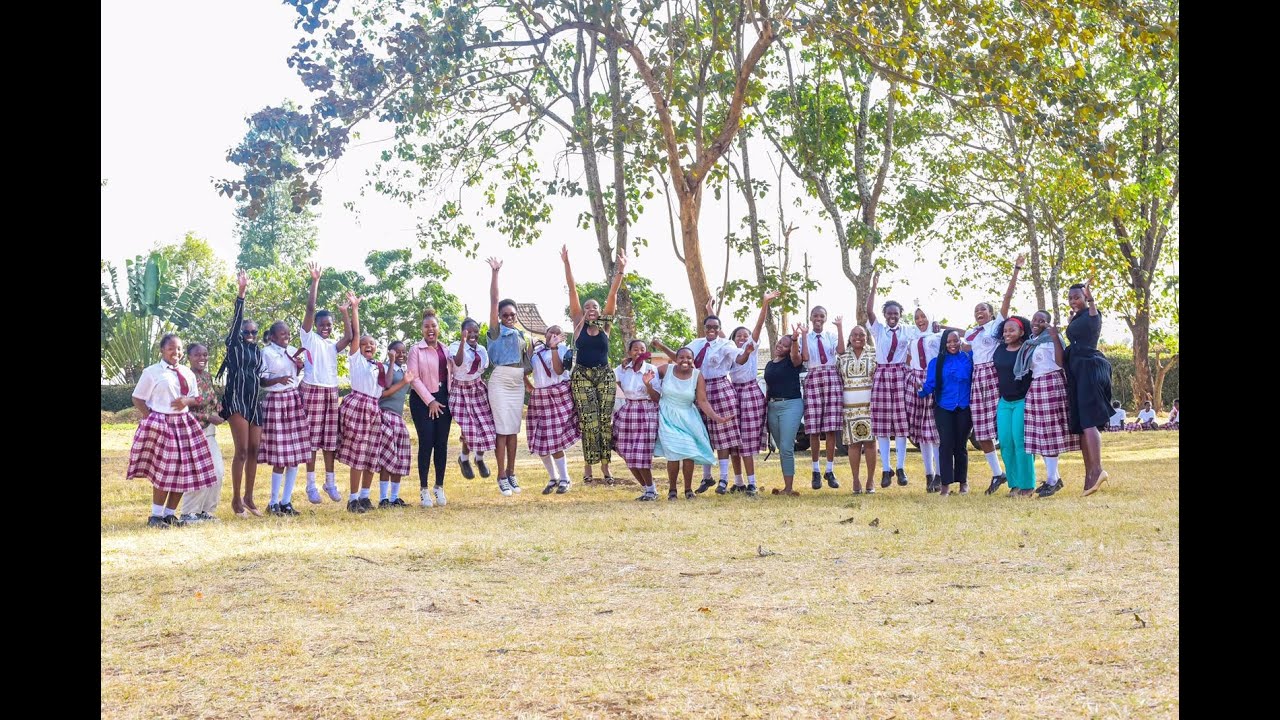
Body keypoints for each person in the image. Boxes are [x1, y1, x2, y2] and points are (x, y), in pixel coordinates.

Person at [127, 333, 219, 527]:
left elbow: (196, 398)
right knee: (164, 470)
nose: (175, 352)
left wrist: (187, 401)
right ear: (162, 350)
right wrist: (150, 416)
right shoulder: (152, 372)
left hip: (184, 423)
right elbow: (138, 397)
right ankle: (155, 516)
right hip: (162, 423)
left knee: (182, 470)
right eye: (170, 348)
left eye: (178, 349)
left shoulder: (187, 372)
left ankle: (170, 515)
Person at [654, 304, 741, 495]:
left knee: (723, 435)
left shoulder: (726, 344)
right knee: (701, 435)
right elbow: (680, 357)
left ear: (719, 329)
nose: (711, 330)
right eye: (708, 327)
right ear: (704, 328)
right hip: (694, 388)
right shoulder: (696, 344)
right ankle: (706, 477)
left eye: (715, 327)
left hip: (718, 386)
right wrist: (660, 347)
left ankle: (724, 479)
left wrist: (749, 351)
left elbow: (739, 359)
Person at [562, 245, 627, 484]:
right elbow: (572, 290)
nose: (591, 309)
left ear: (601, 313)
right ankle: (588, 469)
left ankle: (606, 468)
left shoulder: (606, 326)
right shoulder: (578, 323)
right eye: (587, 307)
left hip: (604, 376)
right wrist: (567, 264)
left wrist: (620, 270)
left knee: (603, 422)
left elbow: (612, 296)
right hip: (582, 376)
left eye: (595, 307)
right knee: (588, 422)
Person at [964, 256, 1023, 494]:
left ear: (991, 313)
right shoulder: (970, 333)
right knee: (981, 431)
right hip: (976, 378)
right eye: (976, 310)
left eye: (983, 309)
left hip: (993, 373)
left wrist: (1016, 270)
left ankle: (1018, 475)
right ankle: (998, 474)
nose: (980, 312)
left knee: (1003, 428)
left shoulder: (996, 326)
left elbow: (1007, 298)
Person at [299, 262, 350, 504]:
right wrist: (315, 281)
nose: (326, 328)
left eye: (329, 325)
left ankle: (330, 482)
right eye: (322, 324)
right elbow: (310, 309)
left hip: (330, 391)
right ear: (315, 326)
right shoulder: (309, 338)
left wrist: (345, 312)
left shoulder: (331, 345)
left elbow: (349, 338)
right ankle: (310, 485)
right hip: (312, 388)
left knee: (329, 440)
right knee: (310, 441)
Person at [653, 347, 734, 500]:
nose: (685, 360)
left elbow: (702, 401)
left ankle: (688, 489)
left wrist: (717, 418)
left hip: (688, 418)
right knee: (673, 454)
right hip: (667, 417)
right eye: (681, 357)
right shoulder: (666, 370)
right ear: (676, 358)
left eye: (689, 358)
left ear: (693, 360)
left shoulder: (697, 375)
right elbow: (647, 373)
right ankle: (672, 490)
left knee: (688, 452)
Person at [218, 271, 264, 517]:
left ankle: (249, 497)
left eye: (254, 332)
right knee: (242, 451)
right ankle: (236, 500)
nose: (249, 335)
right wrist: (241, 294)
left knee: (255, 450)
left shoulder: (258, 351)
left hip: (255, 402)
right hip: (236, 401)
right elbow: (237, 320)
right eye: (246, 332)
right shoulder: (234, 346)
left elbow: (261, 377)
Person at [725, 291, 781, 496]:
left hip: (749, 393)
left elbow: (758, 327)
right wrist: (711, 311)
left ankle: (752, 483)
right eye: (738, 335)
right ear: (732, 340)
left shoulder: (752, 348)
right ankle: (738, 481)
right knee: (733, 440)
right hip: (733, 393)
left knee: (747, 440)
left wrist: (765, 304)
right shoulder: (729, 351)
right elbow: (720, 333)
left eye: (745, 335)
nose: (742, 337)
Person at [484, 257, 532, 494]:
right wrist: (495, 273)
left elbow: (528, 366)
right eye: (505, 315)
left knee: (513, 429)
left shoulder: (523, 336)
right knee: (501, 430)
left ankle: (512, 473)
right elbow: (494, 301)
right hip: (500, 380)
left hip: (517, 382)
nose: (509, 318)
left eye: (512, 315)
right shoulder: (495, 332)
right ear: (500, 316)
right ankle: (501, 475)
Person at [335, 296, 385, 512]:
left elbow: (385, 391)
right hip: (358, 407)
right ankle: (352, 499)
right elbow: (355, 334)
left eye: (372, 344)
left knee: (371, 453)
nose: (368, 346)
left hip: (374, 409)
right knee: (358, 454)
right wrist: (354, 309)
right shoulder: (356, 360)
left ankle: (365, 496)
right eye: (364, 344)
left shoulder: (378, 367)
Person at [1021, 312, 1079, 498]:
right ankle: (1054, 478)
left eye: (1041, 320)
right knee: (1041, 434)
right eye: (1034, 319)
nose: (1036, 323)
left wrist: (1054, 337)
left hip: (1051, 383)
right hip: (1036, 385)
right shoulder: (1031, 342)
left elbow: (1061, 362)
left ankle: (1052, 480)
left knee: (1050, 432)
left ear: (1048, 323)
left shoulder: (1052, 338)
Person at [865, 272, 915, 489]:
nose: (892, 316)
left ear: (900, 314)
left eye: (896, 313)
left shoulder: (908, 330)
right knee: (883, 424)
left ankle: (901, 467)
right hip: (883, 374)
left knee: (901, 423)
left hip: (901, 374)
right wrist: (874, 287)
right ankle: (886, 469)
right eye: (889, 313)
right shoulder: (879, 330)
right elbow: (868, 310)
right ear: (884, 315)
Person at [1064, 282, 1113, 495]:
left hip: (1089, 367)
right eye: (1071, 298)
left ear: (1085, 297)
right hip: (1077, 369)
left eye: (1077, 297)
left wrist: (1091, 297)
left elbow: (1093, 310)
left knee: (1089, 420)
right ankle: (1089, 476)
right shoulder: (1077, 317)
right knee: (1082, 423)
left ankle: (1098, 470)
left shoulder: (1094, 314)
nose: (1074, 301)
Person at [257, 318, 309, 516]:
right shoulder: (266, 353)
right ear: (272, 336)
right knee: (280, 457)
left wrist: (299, 366)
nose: (286, 337)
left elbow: (296, 375)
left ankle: (286, 502)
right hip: (277, 401)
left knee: (294, 456)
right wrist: (277, 379)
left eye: (288, 333)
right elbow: (262, 380)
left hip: (293, 400)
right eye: (282, 334)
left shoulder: (293, 350)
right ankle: (273, 503)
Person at [917, 330, 975, 495]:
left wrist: (967, 347)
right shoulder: (937, 362)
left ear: (960, 341)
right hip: (944, 408)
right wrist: (921, 390)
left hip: (963, 407)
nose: (952, 344)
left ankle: (963, 482)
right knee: (946, 445)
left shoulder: (968, 358)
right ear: (944, 343)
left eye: (955, 341)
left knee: (961, 446)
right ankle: (945, 485)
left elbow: (969, 375)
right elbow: (930, 385)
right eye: (949, 341)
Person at [406, 309, 452, 508]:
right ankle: (424, 489)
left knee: (441, 444)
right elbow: (413, 378)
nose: (430, 329)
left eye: (433, 326)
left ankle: (439, 486)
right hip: (422, 401)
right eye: (427, 327)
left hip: (444, 399)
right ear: (422, 329)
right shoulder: (416, 350)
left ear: (438, 328)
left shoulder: (446, 349)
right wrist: (430, 401)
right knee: (426, 443)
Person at [527, 325, 580, 494]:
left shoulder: (564, 349)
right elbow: (524, 368)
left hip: (557, 394)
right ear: (546, 333)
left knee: (555, 439)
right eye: (552, 332)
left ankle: (565, 478)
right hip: (540, 396)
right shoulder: (536, 351)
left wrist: (555, 347)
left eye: (558, 333)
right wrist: (529, 387)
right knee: (541, 440)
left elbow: (558, 370)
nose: (554, 335)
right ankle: (553, 477)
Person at [450, 318, 501, 493]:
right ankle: (464, 459)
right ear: (462, 332)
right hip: (460, 390)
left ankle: (478, 458)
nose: (472, 334)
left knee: (486, 428)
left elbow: (482, 367)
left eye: (475, 331)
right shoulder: (455, 345)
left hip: (477, 388)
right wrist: (463, 343)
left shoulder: (482, 349)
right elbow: (457, 362)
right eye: (468, 331)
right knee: (469, 429)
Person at [799, 306, 845, 490]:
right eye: (815, 315)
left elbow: (841, 350)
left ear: (825, 318)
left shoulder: (830, 336)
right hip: (814, 375)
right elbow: (804, 357)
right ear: (810, 317)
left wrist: (840, 327)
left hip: (831, 377)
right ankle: (816, 470)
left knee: (831, 427)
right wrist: (803, 335)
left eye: (821, 316)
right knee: (814, 429)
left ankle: (830, 469)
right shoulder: (807, 337)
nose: (818, 319)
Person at [179, 342, 225, 523]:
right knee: (199, 472)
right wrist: (209, 416)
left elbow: (210, 399)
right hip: (193, 430)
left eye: (205, 355)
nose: (202, 358)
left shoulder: (206, 376)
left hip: (210, 432)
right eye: (197, 355)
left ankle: (206, 512)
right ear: (189, 357)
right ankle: (189, 513)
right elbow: (182, 406)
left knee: (217, 471)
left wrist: (218, 407)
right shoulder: (185, 377)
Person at [992, 316, 1036, 497]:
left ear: (1022, 332)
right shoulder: (1000, 349)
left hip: (1022, 400)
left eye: (1012, 330)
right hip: (1004, 401)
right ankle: (1015, 484)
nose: (1007, 333)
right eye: (1005, 330)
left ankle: (1027, 485)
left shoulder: (1027, 350)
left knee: (1020, 442)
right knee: (1005, 443)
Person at [613, 340, 662, 500]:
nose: (639, 352)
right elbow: (615, 382)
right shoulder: (622, 369)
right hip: (628, 410)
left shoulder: (650, 369)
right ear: (629, 352)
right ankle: (648, 489)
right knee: (626, 452)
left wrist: (647, 385)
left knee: (640, 453)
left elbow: (656, 398)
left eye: (642, 349)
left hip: (646, 411)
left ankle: (651, 490)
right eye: (635, 349)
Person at [906, 309, 943, 492]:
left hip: (933, 379)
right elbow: (909, 359)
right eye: (917, 317)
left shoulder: (938, 336)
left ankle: (939, 475)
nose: (920, 320)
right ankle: (929, 474)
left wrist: (943, 327)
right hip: (916, 381)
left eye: (923, 316)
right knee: (922, 431)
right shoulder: (912, 337)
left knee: (934, 431)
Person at [837, 326, 877, 495]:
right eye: (854, 334)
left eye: (862, 334)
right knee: (853, 444)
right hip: (850, 406)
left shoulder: (874, 354)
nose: (858, 337)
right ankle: (855, 479)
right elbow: (838, 379)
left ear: (867, 337)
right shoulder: (842, 356)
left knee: (870, 443)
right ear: (850, 337)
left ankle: (870, 479)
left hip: (870, 406)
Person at [375, 341, 416, 508]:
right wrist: (391, 362)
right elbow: (386, 384)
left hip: (398, 418)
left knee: (400, 457)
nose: (401, 354)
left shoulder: (405, 371)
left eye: (403, 352)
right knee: (387, 457)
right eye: (397, 352)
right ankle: (383, 498)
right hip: (385, 415)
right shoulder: (385, 368)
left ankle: (394, 497)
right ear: (390, 352)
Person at [765, 327, 805, 496]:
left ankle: (789, 489)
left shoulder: (793, 362)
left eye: (785, 345)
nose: (781, 345)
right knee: (782, 448)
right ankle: (785, 486)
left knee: (787, 446)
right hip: (773, 407)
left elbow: (796, 356)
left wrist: (795, 340)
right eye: (780, 342)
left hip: (791, 405)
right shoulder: (769, 364)